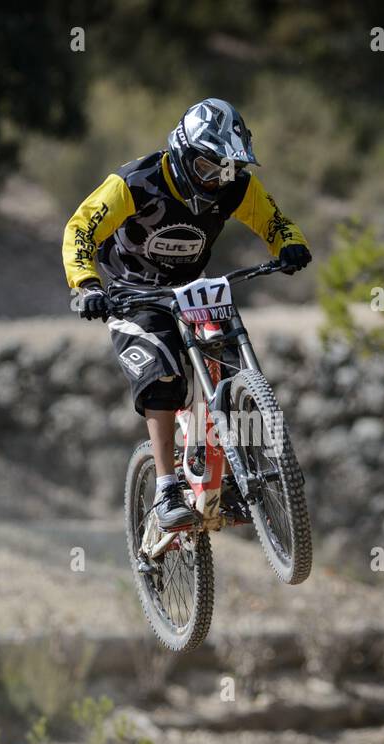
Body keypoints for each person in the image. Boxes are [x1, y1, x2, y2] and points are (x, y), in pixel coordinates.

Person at [61, 98, 312, 529]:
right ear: (181, 153)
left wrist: (290, 244)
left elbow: (275, 222)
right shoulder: (135, 182)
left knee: (230, 366)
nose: (218, 179)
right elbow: (80, 228)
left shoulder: (238, 187)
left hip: (192, 290)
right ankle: (165, 489)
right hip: (133, 293)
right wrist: (86, 285)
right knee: (162, 376)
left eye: (227, 169)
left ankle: (236, 474)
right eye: (207, 168)